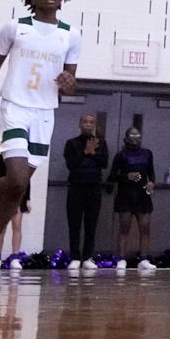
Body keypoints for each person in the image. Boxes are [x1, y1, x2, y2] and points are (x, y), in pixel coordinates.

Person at [0, 0, 80, 271]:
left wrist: (69, 80)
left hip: (45, 113)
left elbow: (70, 83)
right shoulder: (15, 27)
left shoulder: (71, 34)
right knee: (18, 179)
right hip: (15, 107)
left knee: (18, 189)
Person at [60, 113, 107, 266]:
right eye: (85, 122)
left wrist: (93, 153)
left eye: (91, 122)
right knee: (74, 224)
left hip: (94, 189)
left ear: (94, 125)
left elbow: (104, 163)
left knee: (91, 224)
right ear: (80, 124)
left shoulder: (101, 143)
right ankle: (75, 257)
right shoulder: (71, 143)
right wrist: (85, 152)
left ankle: (87, 257)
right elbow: (71, 165)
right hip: (76, 188)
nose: (88, 124)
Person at [109, 120, 157, 270]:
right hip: (126, 194)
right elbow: (111, 176)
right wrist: (126, 176)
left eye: (137, 136)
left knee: (145, 227)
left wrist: (152, 183)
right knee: (125, 226)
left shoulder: (147, 154)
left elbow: (151, 173)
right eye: (132, 136)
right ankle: (121, 258)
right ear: (126, 138)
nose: (135, 139)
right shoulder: (120, 155)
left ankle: (143, 258)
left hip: (143, 194)